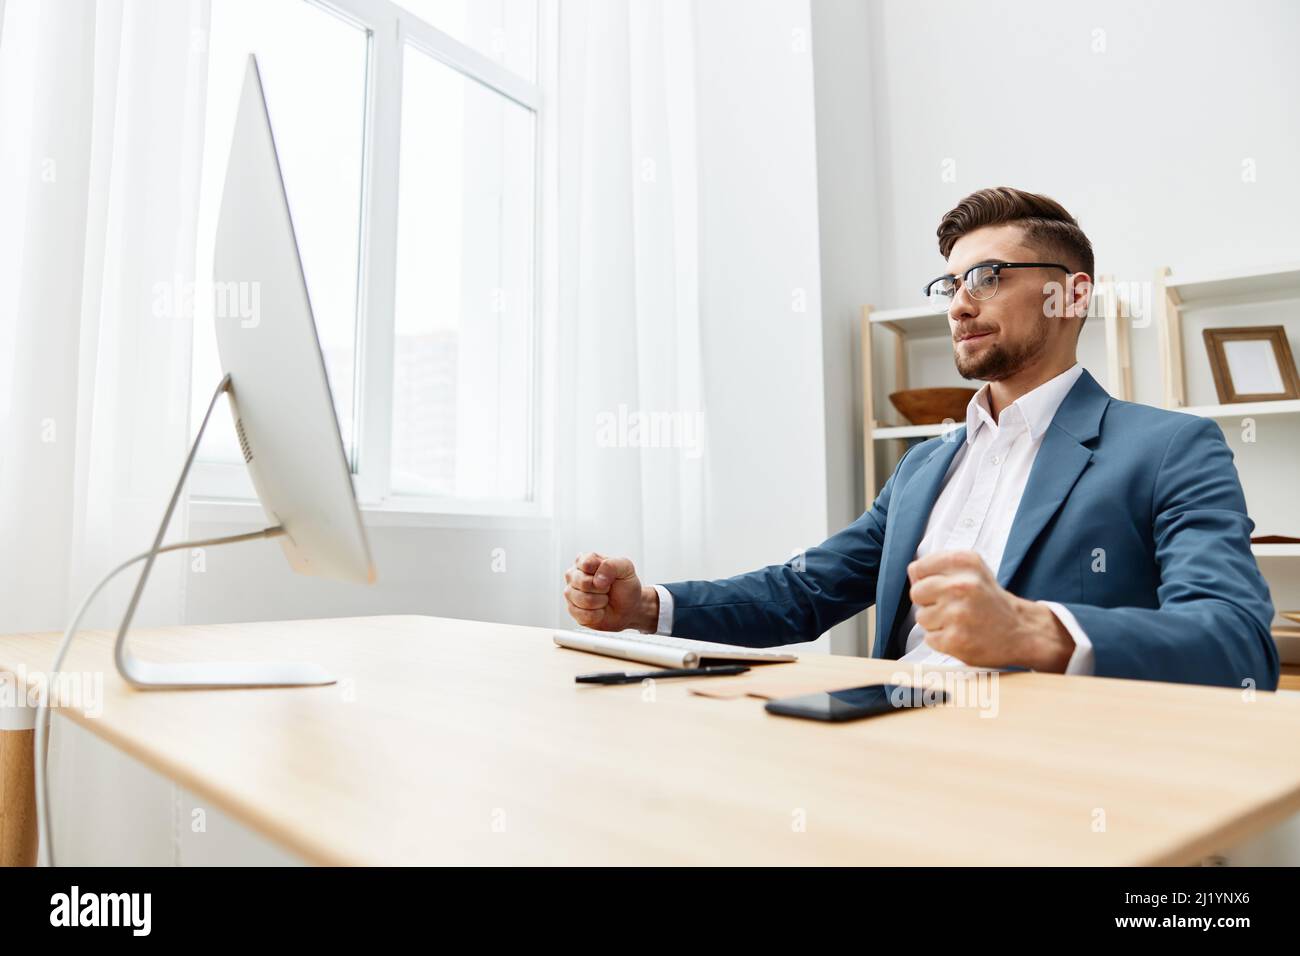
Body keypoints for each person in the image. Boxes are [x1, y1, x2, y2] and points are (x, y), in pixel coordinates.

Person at [562, 186, 1278, 690]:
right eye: (951, 284)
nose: (960, 303)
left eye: (988, 276)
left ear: (1072, 293)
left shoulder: (1170, 448)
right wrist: (649, 607)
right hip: (886, 744)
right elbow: (803, 591)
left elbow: (1236, 642)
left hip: (1054, 779)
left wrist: (1036, 631)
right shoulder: (922, 467)